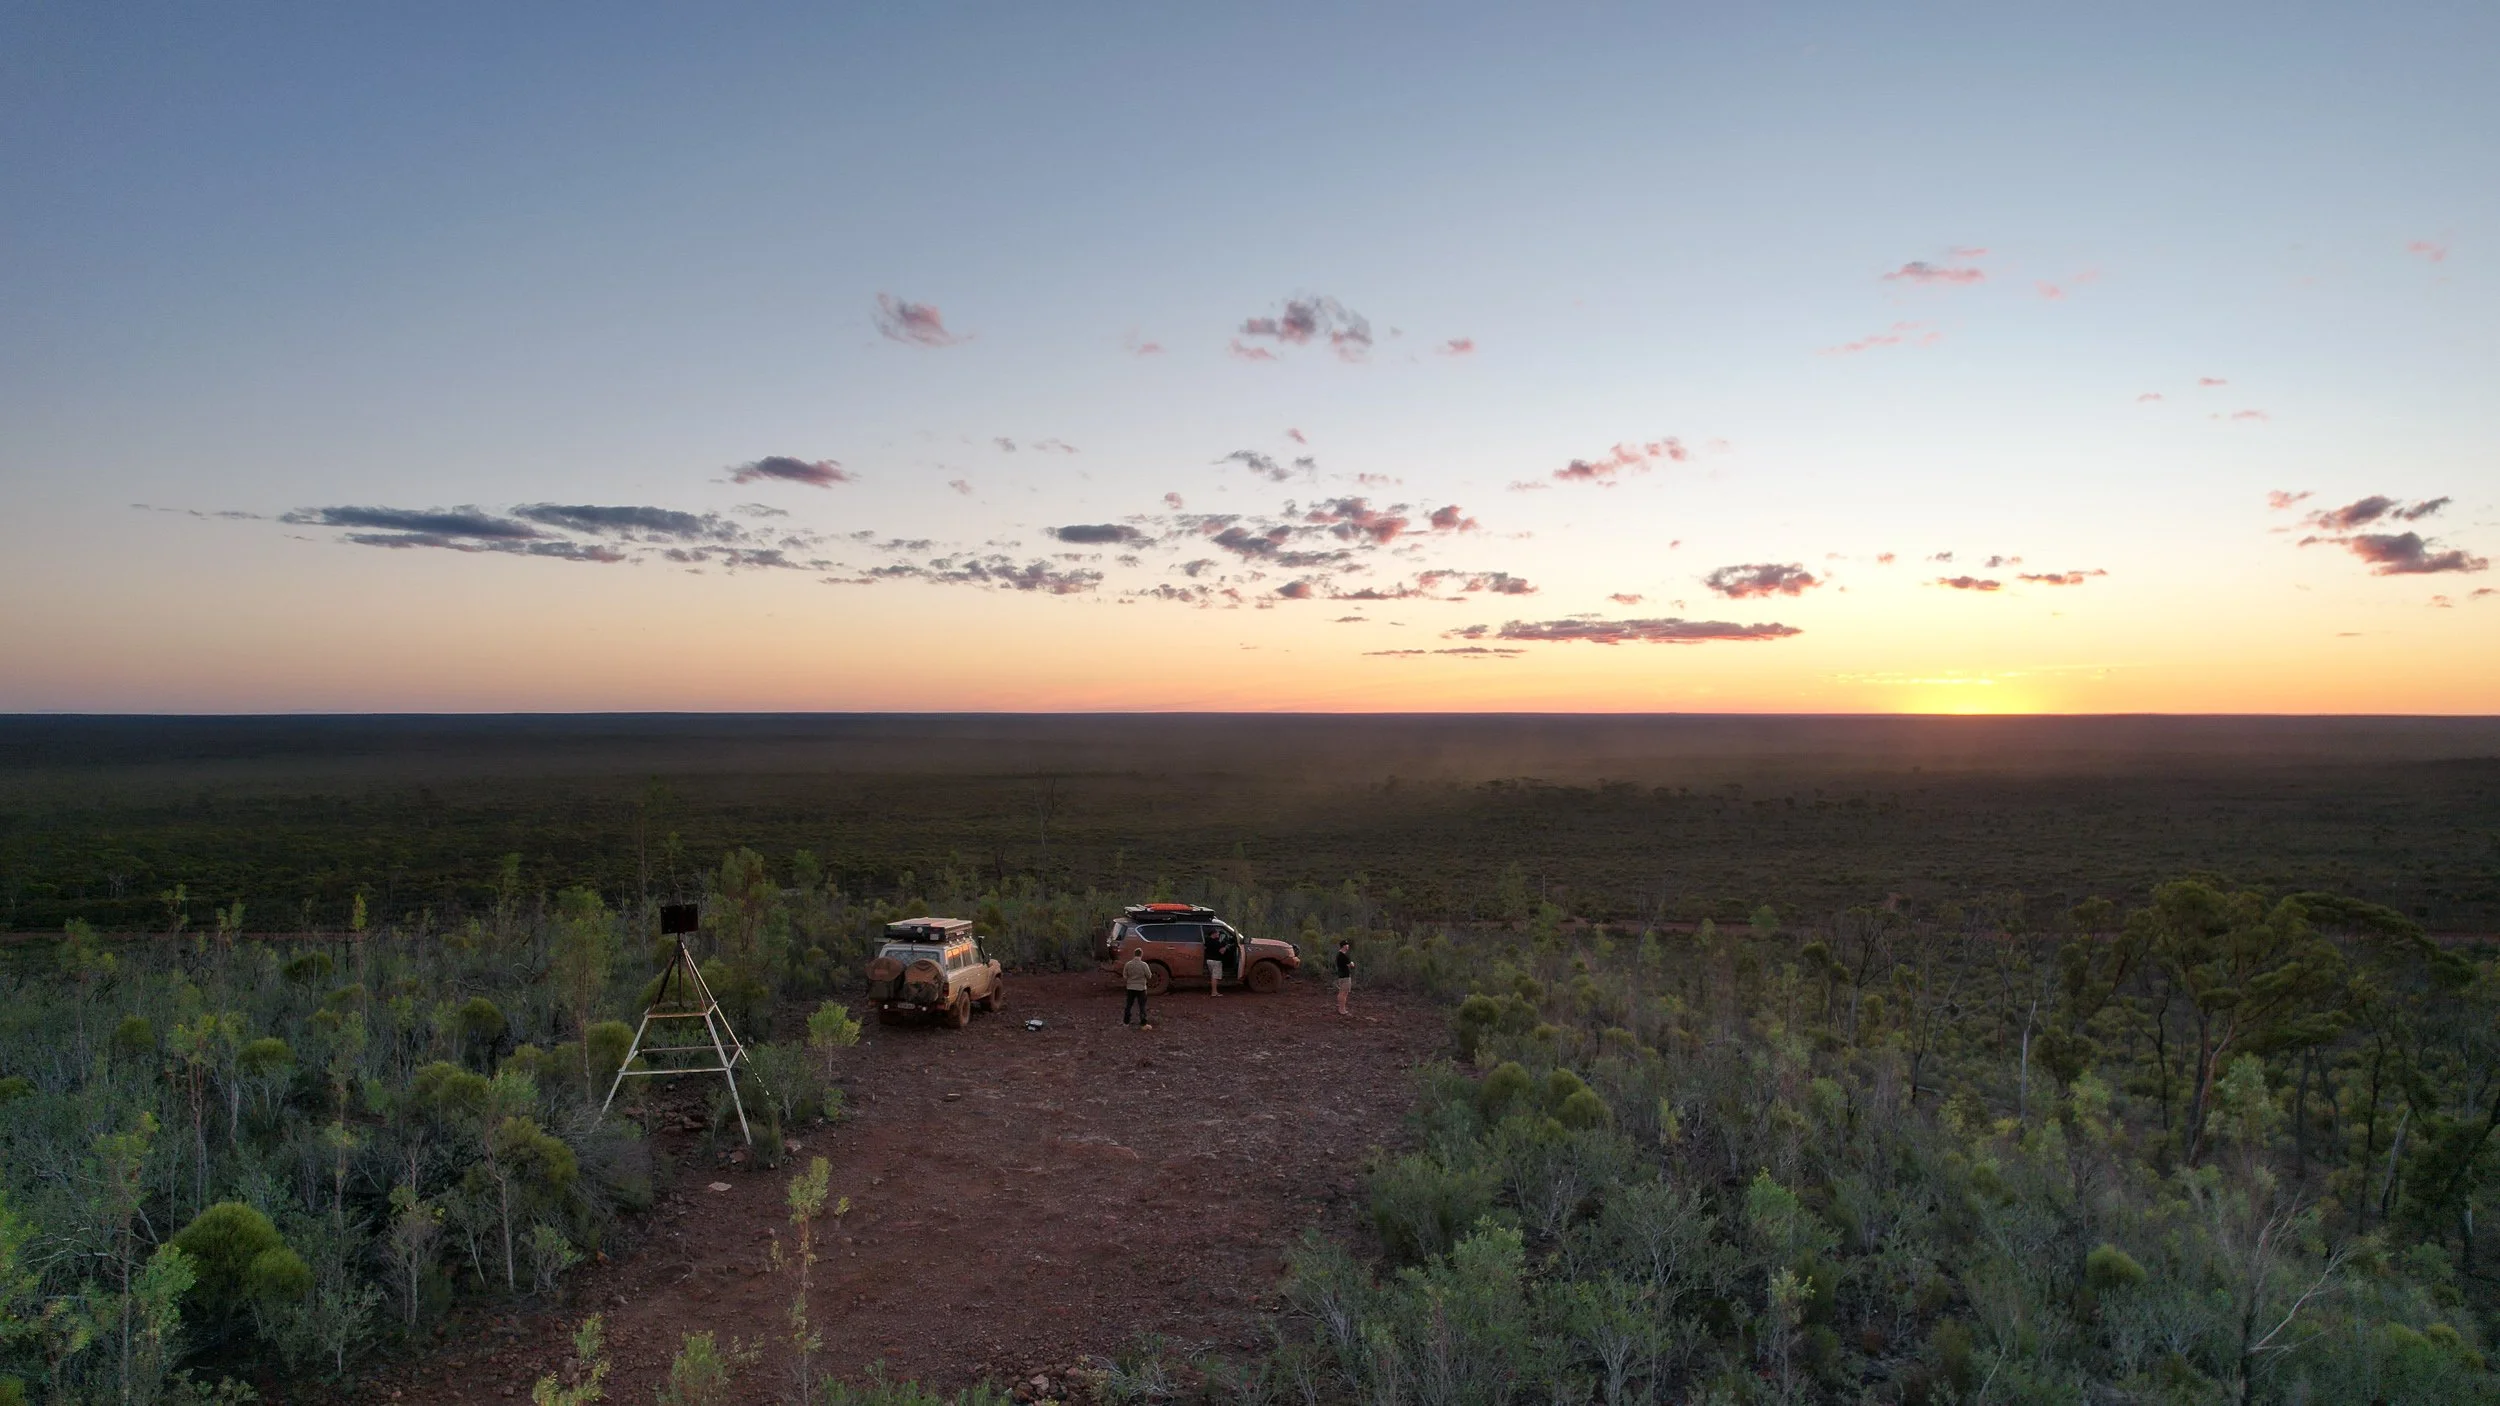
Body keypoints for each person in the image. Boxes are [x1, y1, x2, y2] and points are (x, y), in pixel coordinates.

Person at [1122, 949, 1152, 1026]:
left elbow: (1125, 976)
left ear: (1134, 954)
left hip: (1130, 987)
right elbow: (1149, 976)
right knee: (1142, 1006)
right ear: (1141, 954)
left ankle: (1126, 1022)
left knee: (1129, 1005)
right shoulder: (1144, 965)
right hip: (1141, 988)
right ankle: (1143, 1023)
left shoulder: (1128, 964)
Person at [1202, 925, 1225, 996]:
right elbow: (1222, 952)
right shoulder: (1216, 942)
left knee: (1212, 976)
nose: (1218, 934)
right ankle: (1214, 992)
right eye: (1217, 932)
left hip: (1209, 961)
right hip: (1216, 961)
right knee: (1215, 977)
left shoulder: (1207, 940)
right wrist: (1225, 947)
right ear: (1213, 934)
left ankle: (1213, 991)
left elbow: (1205, 948)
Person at [1334, 939, 1354, 1016]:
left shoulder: (1339, 955)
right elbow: (1351, 965)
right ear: (1344, 946)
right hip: (1345, 976)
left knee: (1341, 993)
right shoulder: (1343, 956)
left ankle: (1341, 1008)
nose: (1348, 946)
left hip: (1341, 976)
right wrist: (1352, 963)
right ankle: (1342, 1010)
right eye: (1347, 945)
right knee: (1344, 993)